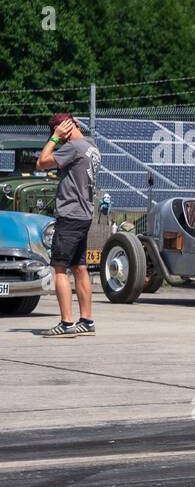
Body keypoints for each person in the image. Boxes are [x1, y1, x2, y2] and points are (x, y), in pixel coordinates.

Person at [37, 113, 101, 337]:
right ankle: (87, 320)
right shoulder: (91, 146)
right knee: (79, 267)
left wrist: (54, 138)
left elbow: (42, 162)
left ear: (64, 128)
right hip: (84, 214)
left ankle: (66, 323)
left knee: (59, 268)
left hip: (70, 214)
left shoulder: (72, 147)